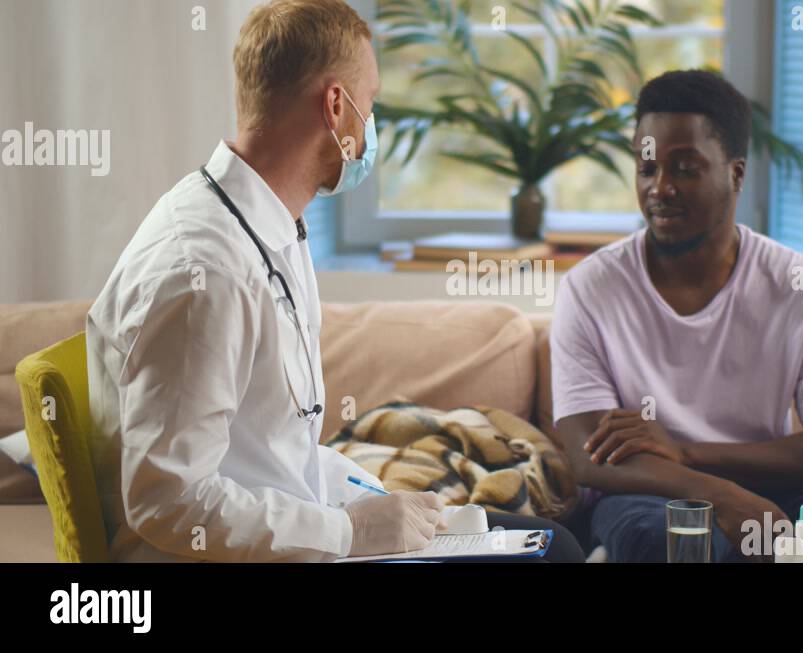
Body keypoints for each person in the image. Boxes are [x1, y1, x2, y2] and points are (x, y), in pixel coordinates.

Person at [86, 0, 582, 563]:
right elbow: (168, 501)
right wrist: (352, 532)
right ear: (335, 105)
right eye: (370, 104)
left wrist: (386, 503)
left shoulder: (269, 226)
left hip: (293, 530)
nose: (371, 126)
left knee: (546, 541)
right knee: (553, 555)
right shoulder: (207, 272)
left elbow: (279, 450)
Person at [550, 69, 803, 563]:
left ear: (736, 173)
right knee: (667, 538)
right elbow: (590, 459)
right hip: (652, 495)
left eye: (685, 167)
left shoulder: (801, 285)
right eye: (647, 168)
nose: (660, 188)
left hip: (775, 494)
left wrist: (688, 451)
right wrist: (721, 497)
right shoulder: (591, 287)